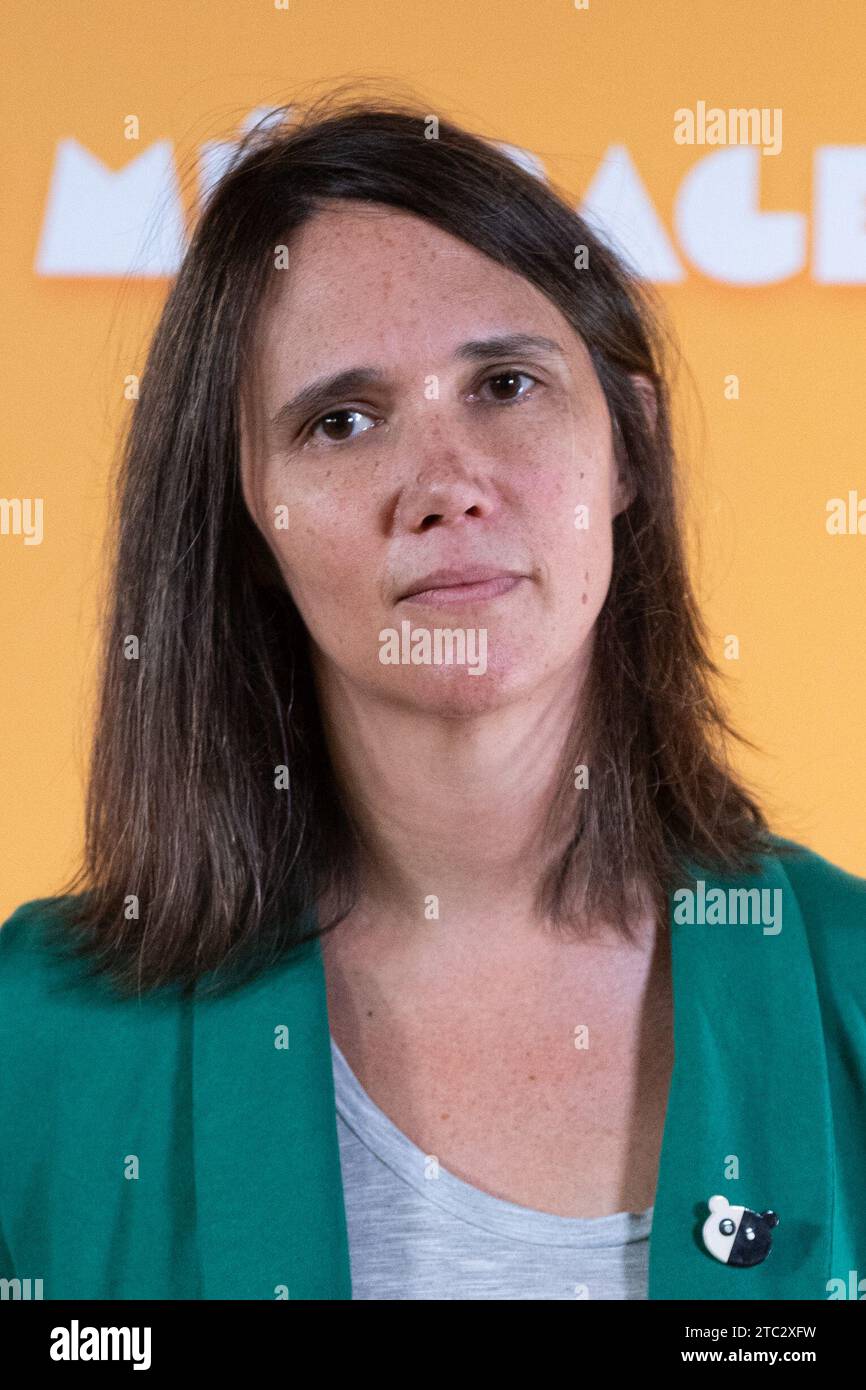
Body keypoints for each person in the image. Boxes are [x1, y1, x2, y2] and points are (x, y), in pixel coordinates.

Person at [1, 92, 864, 1303]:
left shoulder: (849, 982)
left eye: (505, 385)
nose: (446, 485)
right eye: (342, 420)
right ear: (252, 519)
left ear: (628, 443)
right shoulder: (31, 1038)